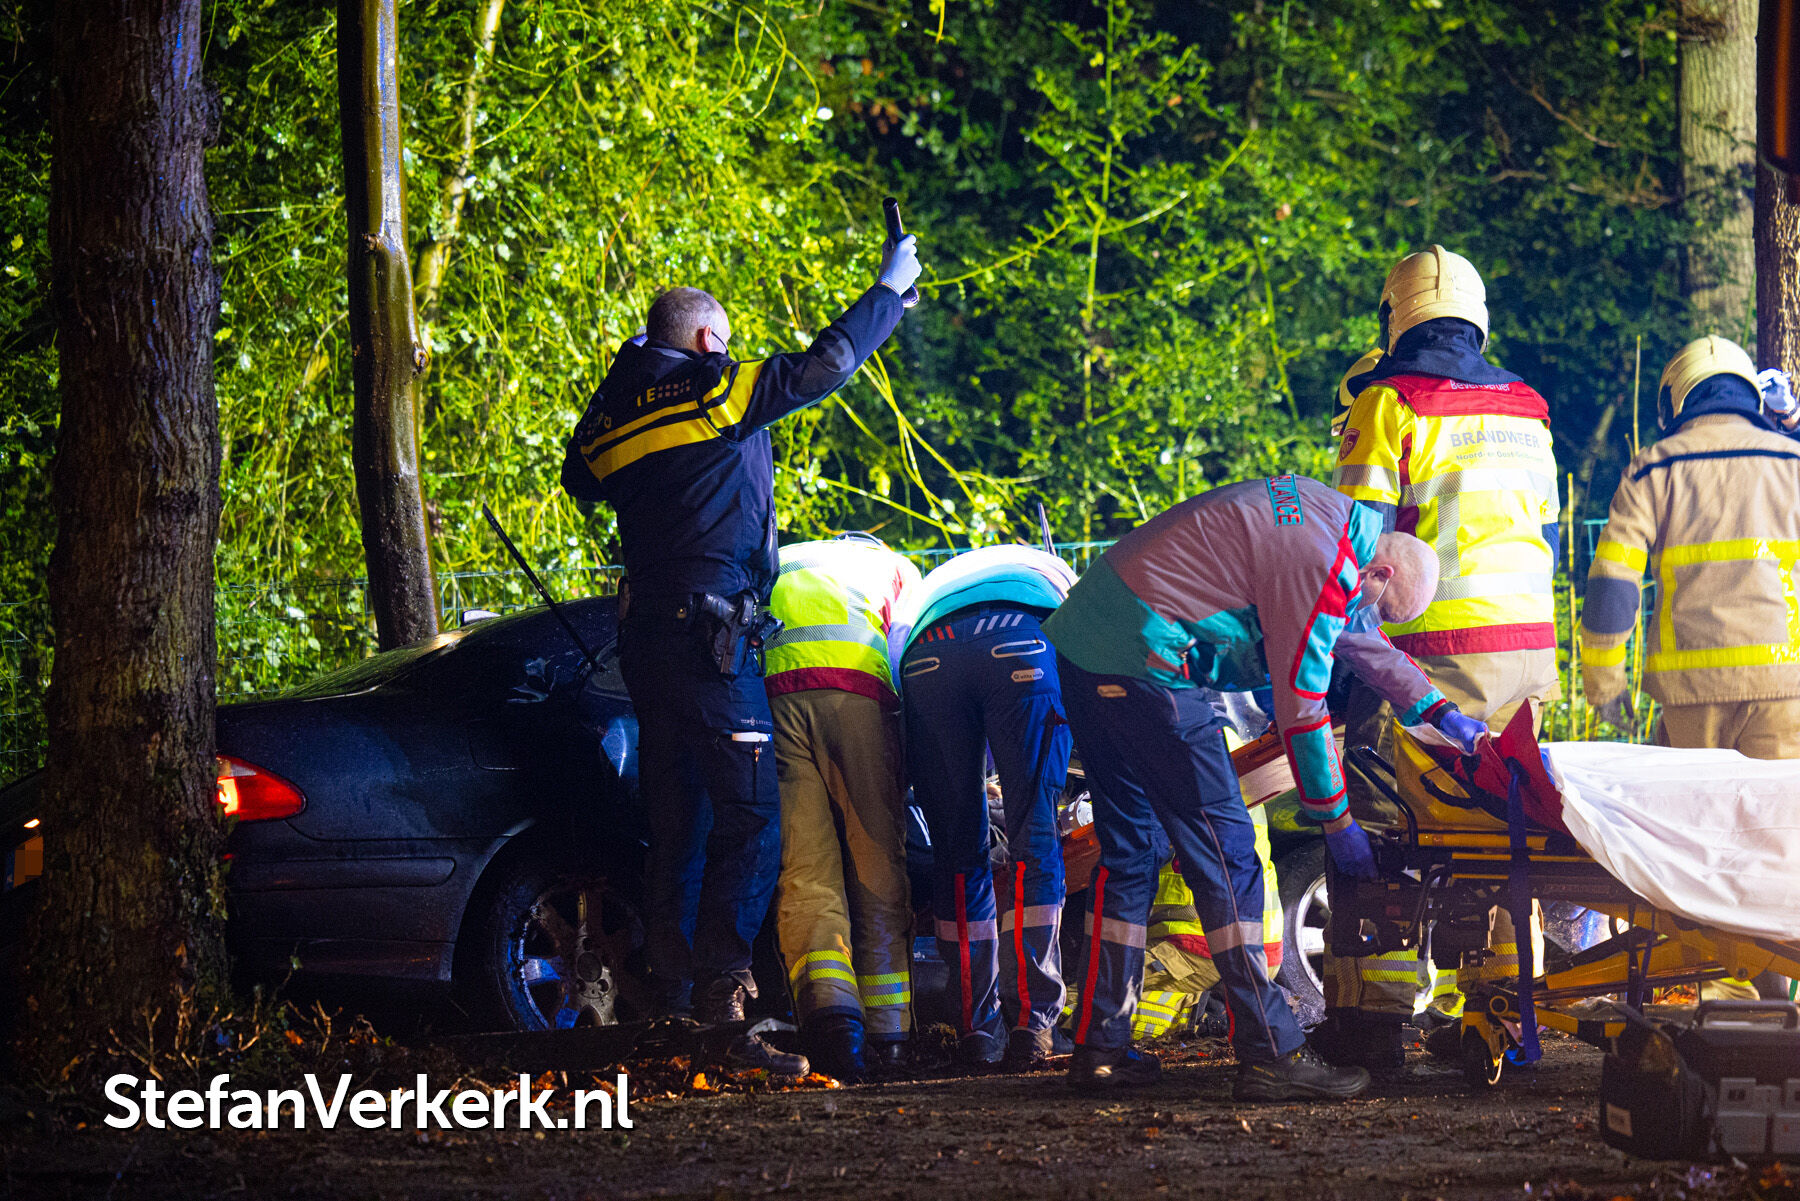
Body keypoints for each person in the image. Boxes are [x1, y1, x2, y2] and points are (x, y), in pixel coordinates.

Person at [559, 233, 921, 1073]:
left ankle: (673, 999)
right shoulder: (712, 387)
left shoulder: (612, 418)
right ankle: (725, 995)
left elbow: (580, 477)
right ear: (705, 341)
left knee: (677, 822)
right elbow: (822, 366)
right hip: (712, 639)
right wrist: (887, 296)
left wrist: (632, 373)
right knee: (753, 813)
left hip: (645, 643)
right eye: (721, 342)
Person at [1043, 474, 1488, 1100]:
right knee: (1229, 854)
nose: (1373, 618)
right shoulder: (1319, 565)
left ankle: (1101, 1049)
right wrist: (1336, 821)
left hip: (1085, 650)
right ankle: (1271, 1052)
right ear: (1380, 576)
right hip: (1150, 659)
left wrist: (1439, 712)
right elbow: (1301, 707)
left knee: (1131, 852)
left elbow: (1362, 639)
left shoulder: (1333, 526)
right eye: (1384, 607)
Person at [1325, 245, 1560, 1074]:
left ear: (1397, 318)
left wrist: (1341, 673)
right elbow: (1546, 534)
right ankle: (1496, 1007)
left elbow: (1350, 547)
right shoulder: (1528, 407)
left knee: (1381, 821)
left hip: (1431, 657)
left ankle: (1371, 1018)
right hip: (1529, 657)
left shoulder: (1390, 402)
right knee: (1505, 826)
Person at [893, 543, 1078, 1071]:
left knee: (957, 852)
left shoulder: (933, 582)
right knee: (1033, 838)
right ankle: (1033, 1025)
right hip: (1021, 641)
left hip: (928, 657)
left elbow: (896, 649)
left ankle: (976, 1029)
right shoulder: (1054, 574)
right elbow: (1084, 653)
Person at [763, 533, 921, 1081]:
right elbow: (909, 657)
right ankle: (890, 1033)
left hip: (773, 700)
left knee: (805, 872)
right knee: (876, 861)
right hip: (856, 697)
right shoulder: (892, 565)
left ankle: (834, 1030)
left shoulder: (781, 559)